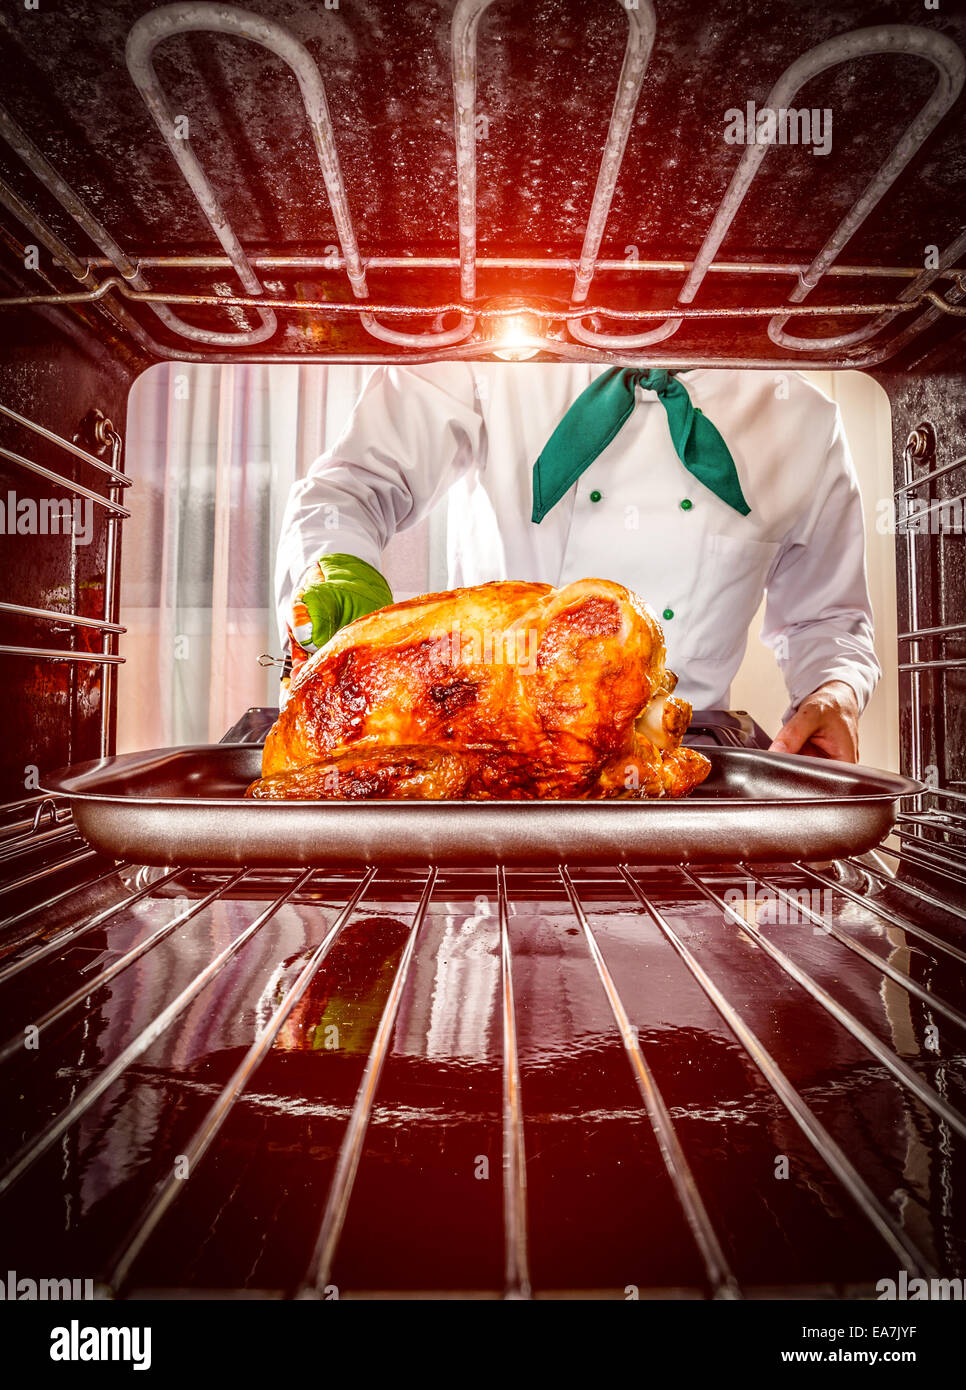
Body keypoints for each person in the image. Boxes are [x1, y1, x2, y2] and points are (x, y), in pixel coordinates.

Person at [275, 364, 881, 763]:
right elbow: (350, 487)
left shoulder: (802, 417)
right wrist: (335, 567)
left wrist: (834, 693)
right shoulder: (487, 355)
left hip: (676, 767)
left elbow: (827, 620)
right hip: (485, 749)